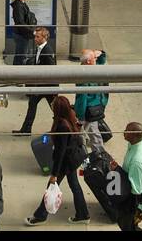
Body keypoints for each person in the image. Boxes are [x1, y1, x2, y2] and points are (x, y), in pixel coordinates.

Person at [25, 96, 91, 225]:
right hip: (73, 159)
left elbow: (60, 153)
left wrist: (54, 174)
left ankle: (40, 216)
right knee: (75, 186)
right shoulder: (70, 116)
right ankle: (83, 214)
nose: (51, 106)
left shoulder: (62, 126)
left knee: (51, 187)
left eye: (53, 105)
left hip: (66, 161)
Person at [112, 121, 142, 231]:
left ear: (134, 136)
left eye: (127, 131)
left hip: (139, 204)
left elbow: (137, 189)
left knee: (127, 226)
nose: (124, 132)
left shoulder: (137, 161)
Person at [13, 25, 56, 135]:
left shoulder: (47, 51)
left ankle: (67, 126)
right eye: (35, 36)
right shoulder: (40, 48)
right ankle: (26, 129)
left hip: (47, 87)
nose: (35, 39)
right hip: (40, 85)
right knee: (32, 105)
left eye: (37, 37)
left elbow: (51, 70)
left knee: (57, 109)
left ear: (44, 37)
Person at [73, 48, 110, 152]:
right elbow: (82, 98)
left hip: (92, 109)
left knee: (88, 132)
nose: (96, 59)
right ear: (89, 61)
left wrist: (101, 53)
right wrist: (80, 116)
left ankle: (89, 151)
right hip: (90, 111)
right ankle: (99, 154)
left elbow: (101, 61)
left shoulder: (91, 67)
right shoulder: (84, 77)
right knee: (93, 134)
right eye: (94, 58)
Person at [9, 0, 37, 66]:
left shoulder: (22, 3)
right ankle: (17, 73)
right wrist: (32, 31)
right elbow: (20, 23)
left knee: (21, 54)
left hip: (23, 33)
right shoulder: (18, 6)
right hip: (21, 35)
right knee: (21, 56)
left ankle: (17, 72)